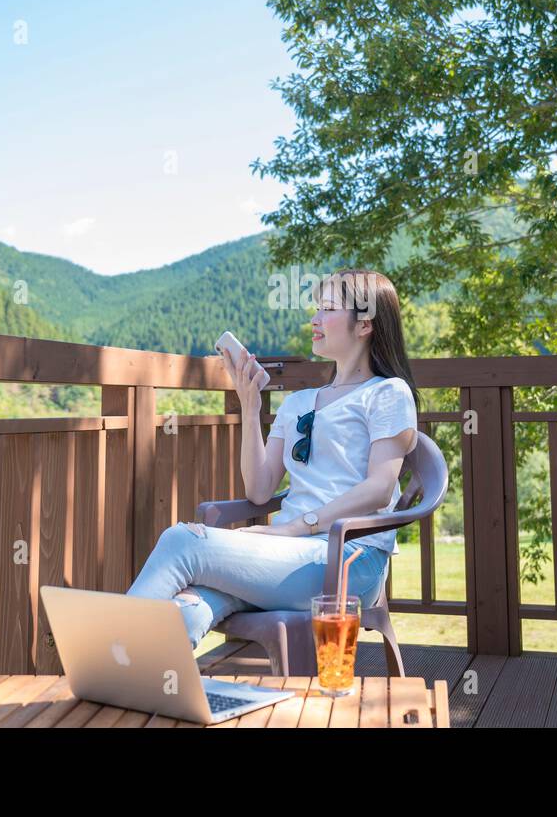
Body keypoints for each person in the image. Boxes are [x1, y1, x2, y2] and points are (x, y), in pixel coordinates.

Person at [126, 269, 422, 650]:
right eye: (316, 308)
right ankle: (141, 678)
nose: (314, 319)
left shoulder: (387, 393)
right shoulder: (297, 402)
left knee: (182, 541)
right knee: (189, 607)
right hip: (287, 557)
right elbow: (259, 488)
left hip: (348, 560)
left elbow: (380, 488)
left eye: (327, 308)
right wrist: (250, 408)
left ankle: (105, 658)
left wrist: (296, 527)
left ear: (364, 324)